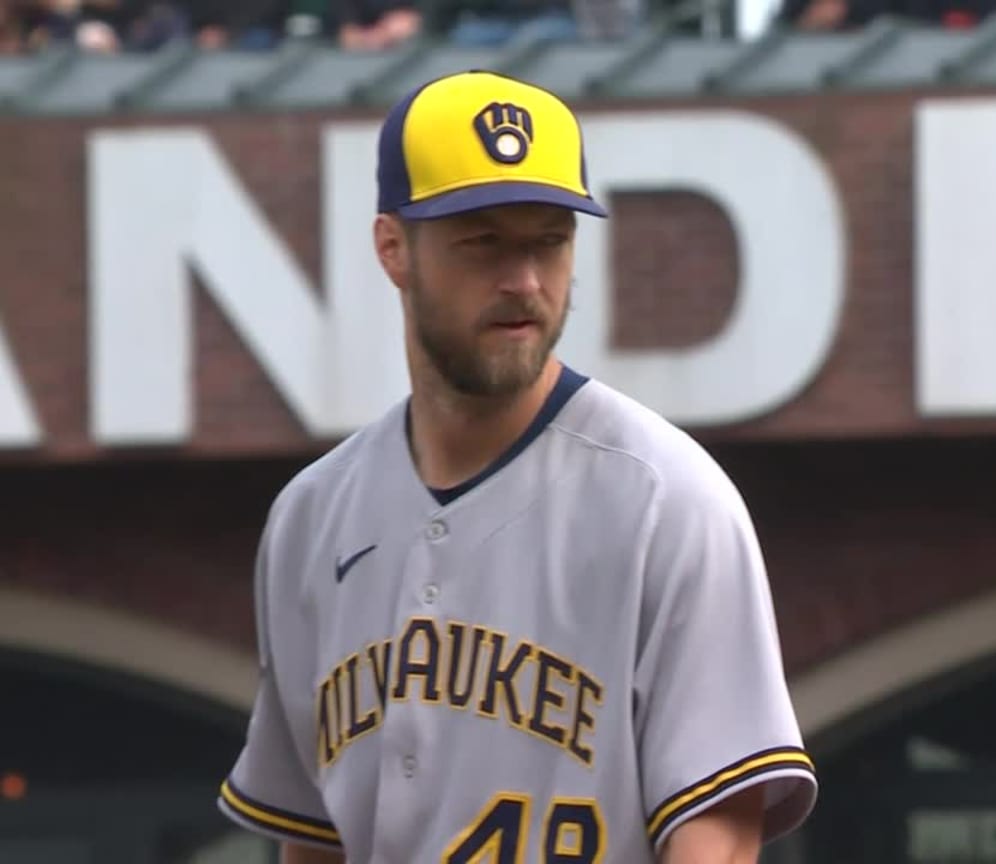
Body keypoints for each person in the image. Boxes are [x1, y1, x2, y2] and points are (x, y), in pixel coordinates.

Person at [215, 69, 818, 863]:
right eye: (483, 242)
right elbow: (314, 839)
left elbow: (721, 835)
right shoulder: (311, 517)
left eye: (549, 241)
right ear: (393, 248)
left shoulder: (665, 496)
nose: (525, 281)